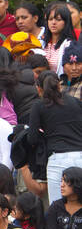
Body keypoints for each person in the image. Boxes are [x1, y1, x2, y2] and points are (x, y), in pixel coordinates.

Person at [27, 70, 82, 205]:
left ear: (38, 88)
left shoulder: (39, 106)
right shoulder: (75, 102)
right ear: (59, 85)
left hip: (57, 160)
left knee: (57, 207)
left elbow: (32, 139)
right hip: (80, 155)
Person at [43, 165, 82, 229]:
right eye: (61, 181)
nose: (62, 185)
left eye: (66, 181)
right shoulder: (56, 207)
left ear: (77, 183)